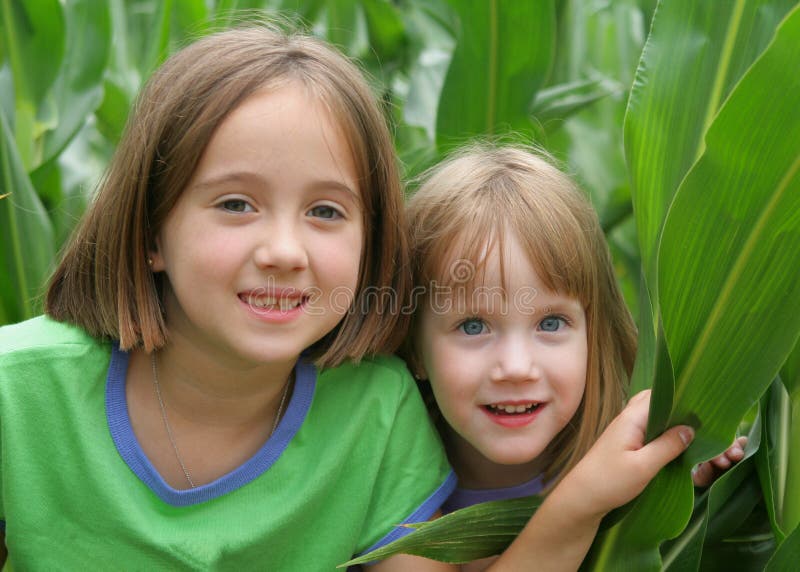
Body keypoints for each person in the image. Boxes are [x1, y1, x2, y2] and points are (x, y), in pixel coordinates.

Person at [0, 25, 462, 570]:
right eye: (237, 204)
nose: (285, 252)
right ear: (151, 234)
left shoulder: (378, 415)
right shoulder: (16, 393)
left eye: (325, 212)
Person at [402, 143, 746, 569]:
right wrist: (584, 501)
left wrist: (685, 483)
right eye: (473, 326)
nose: (515, 368)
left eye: (550, 323)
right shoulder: (390, 484)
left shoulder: (632, 455)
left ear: (592, 333)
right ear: (415, 348)